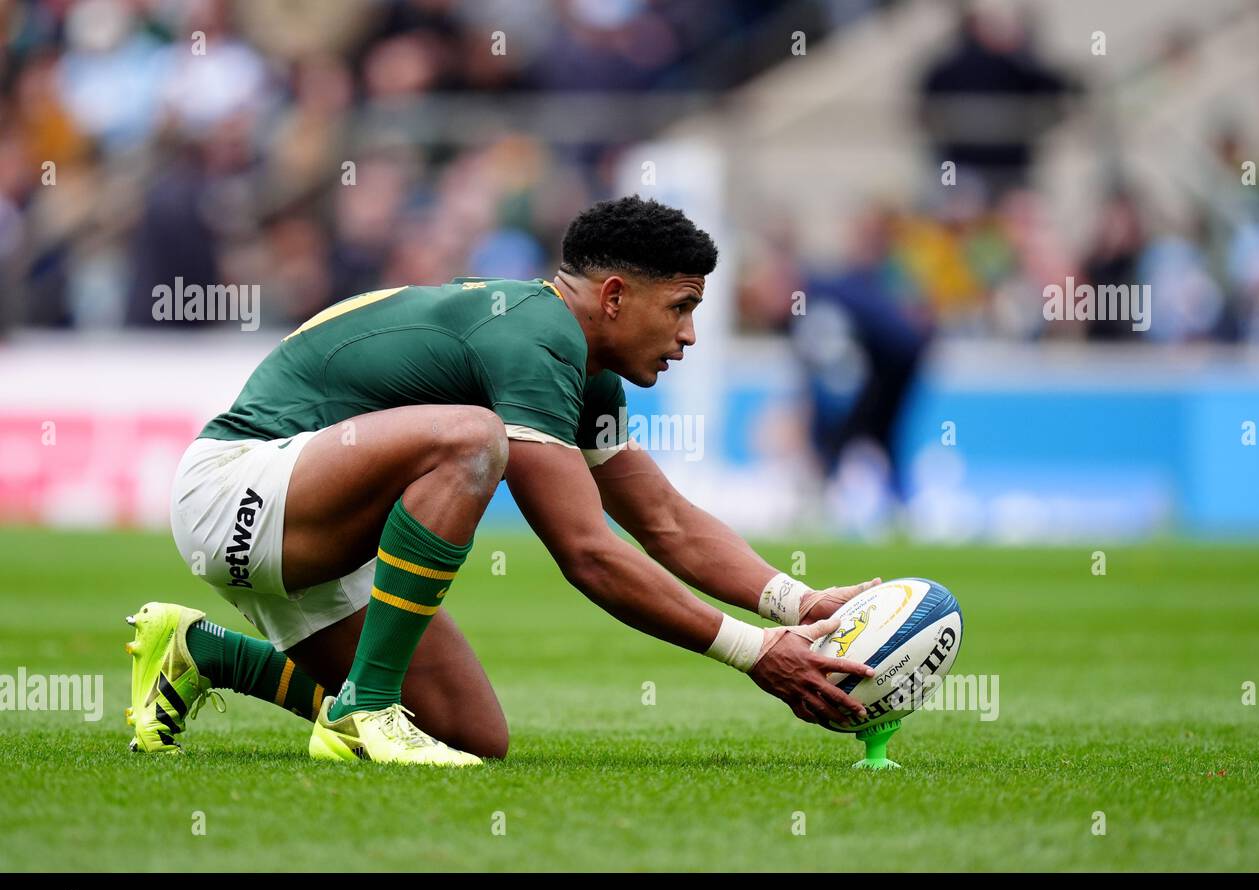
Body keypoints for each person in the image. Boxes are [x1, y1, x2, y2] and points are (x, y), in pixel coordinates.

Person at [127, 195, 878, 766]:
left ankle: (204, 653)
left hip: (306, 520)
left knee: (470, 735)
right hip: (237, 490)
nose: (688, 334)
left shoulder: (582, 371)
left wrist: (796, 600)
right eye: (680, 307)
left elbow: (664, 521)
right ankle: (366, 705)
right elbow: (588, 552)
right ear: (614, 296)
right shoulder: (536, 337)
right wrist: (755, 652)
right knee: (471, 438)